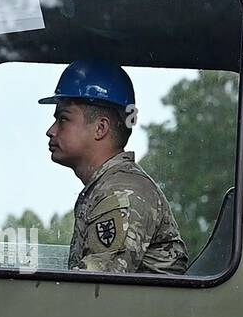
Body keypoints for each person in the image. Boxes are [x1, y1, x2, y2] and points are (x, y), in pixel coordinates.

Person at [40, 59, 188, 274]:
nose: (51, 131)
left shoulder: (121, 195)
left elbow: (96, 290)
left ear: (100, 128)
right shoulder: (108, 188)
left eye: (63, 119)